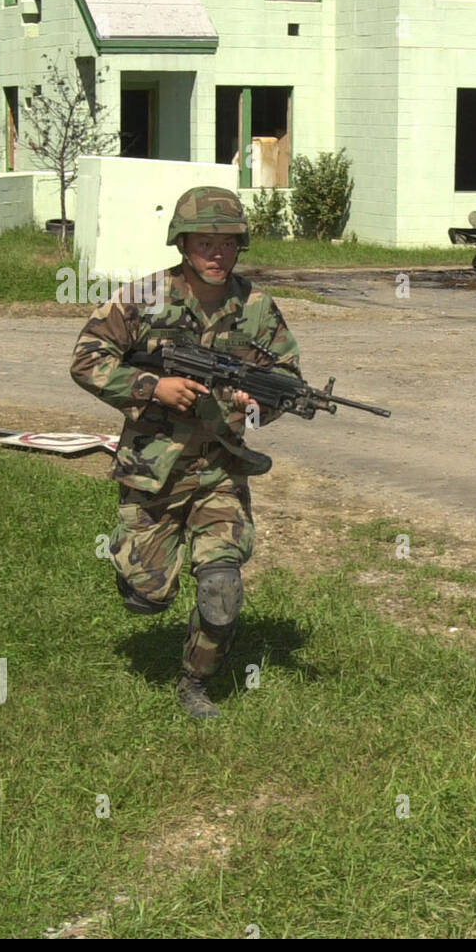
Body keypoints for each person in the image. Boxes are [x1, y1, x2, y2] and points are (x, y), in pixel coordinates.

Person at [71, 187, 301, 718]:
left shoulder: (258, 308)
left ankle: (195, 684)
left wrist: (256, 407)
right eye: (204, 242)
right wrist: (154, 387)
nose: (216, 254)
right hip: (152, 468)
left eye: (227, 243)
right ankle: (139, 572)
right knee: (146, 598)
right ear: (183, 243)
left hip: (220, 468)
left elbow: (287, 380)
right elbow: (86, 359)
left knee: (222, 588)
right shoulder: (143, 296)